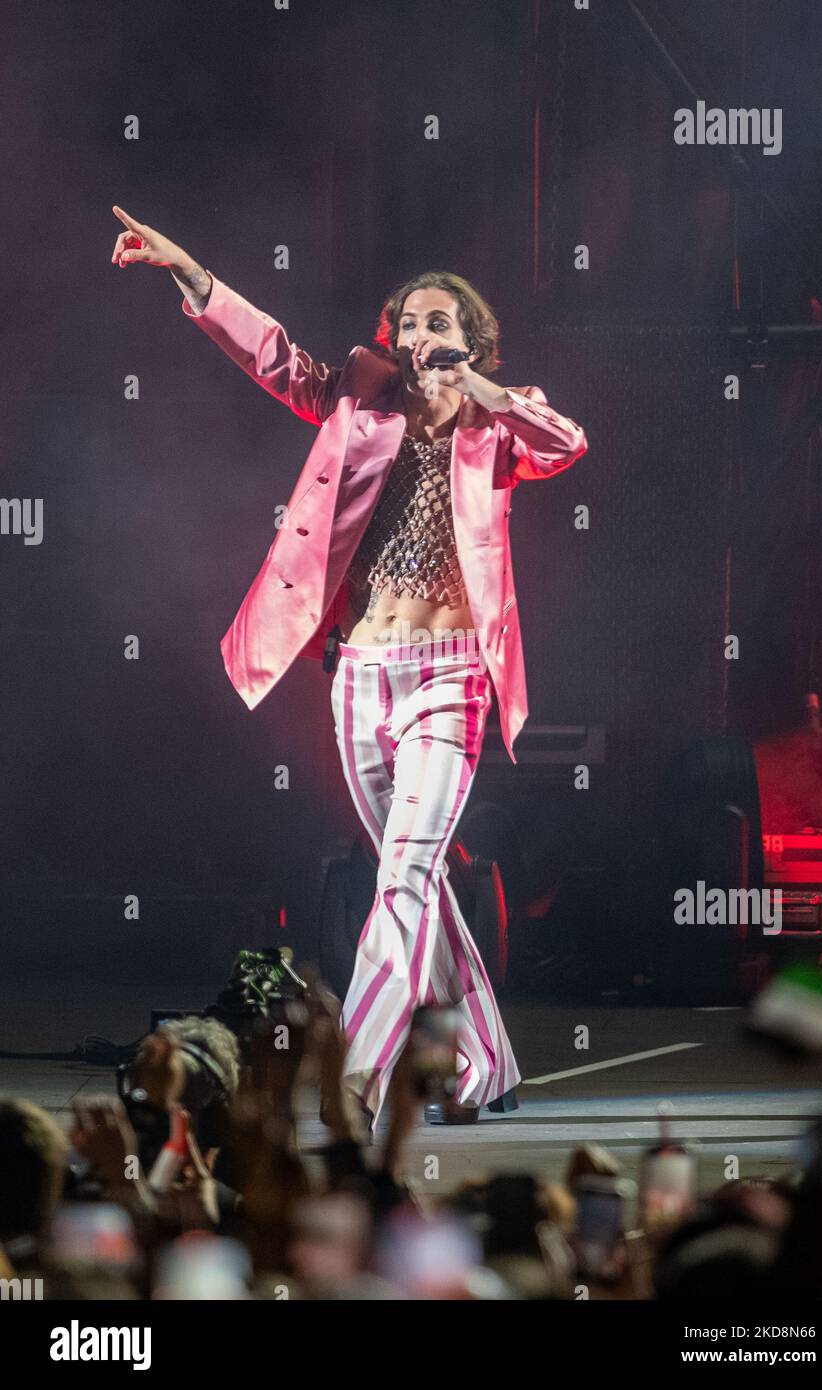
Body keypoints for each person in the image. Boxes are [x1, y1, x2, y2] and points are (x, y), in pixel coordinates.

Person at [110, 205, 589, 1134]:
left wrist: (482, 389)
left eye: (437, 323)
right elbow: (278, 359)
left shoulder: (500, 425)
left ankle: (361, 1077)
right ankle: (485, 1061)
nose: (417, 338)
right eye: (407, 324)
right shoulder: (359, 398)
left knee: (406, 872)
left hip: (453, 677)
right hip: (360, 672)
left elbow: (567, 445)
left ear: (471, 339)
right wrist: (191, 273)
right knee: (416, 879)